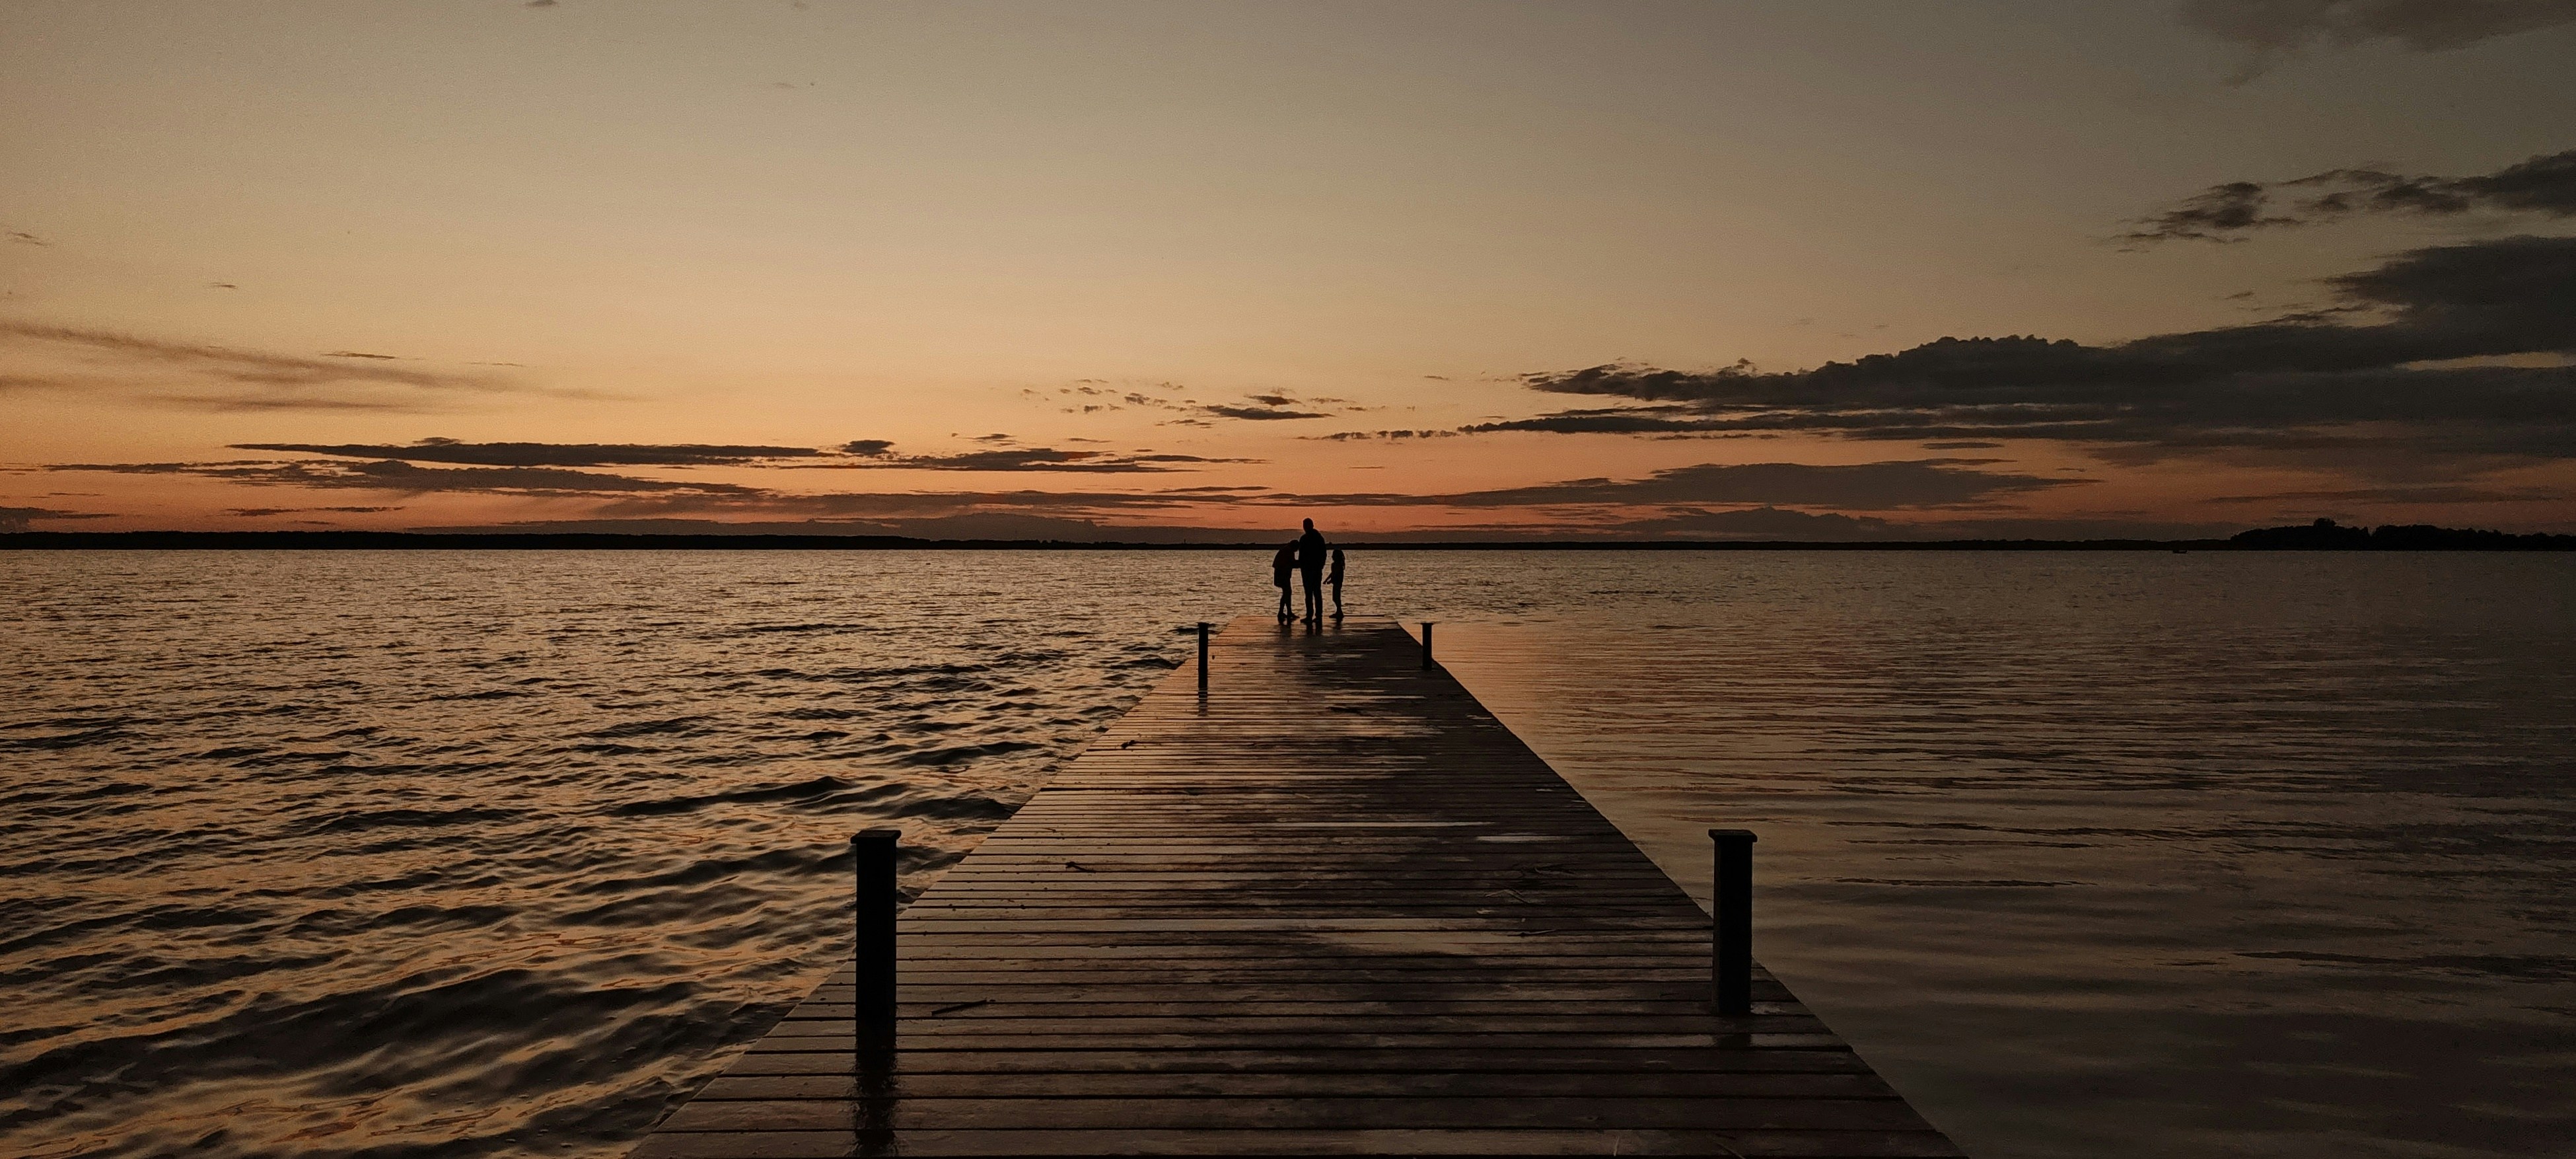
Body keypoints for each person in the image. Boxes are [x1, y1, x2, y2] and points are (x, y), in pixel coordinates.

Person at [1297, 519, 1328, 624]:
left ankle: (1314, 615)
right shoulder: (1317, 538)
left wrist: (1320, 566)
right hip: (1311, 569)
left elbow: (1322, 554)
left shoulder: (1310, 538)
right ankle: (1314, 615)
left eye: (1306, 525)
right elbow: (1323, 554)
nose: (1305, 527)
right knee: (1313, 592)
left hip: (1311, 569)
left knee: (1312, 593)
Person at [1271, 541, 1297, 623]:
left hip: (1281, 575)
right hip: (1282, 575)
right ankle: (1287, 612)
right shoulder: (1289, 551)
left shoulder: (1285, 550)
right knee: (1287, 593)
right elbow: (1292, 563)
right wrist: (1303, 563)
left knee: (1286, 593)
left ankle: (1283, 612)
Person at [1328, 548, 1345, 618]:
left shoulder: (1339, 565)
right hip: (1336, 583)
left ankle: (1339, 612)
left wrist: (1330, 581)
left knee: (1336, 598)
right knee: (1335, 598)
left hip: (1338, 583)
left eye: (1333, 555)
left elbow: (1335, 574)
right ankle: (1339, 611)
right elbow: (1332, 573)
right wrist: (1327, 580)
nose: (1332, 557)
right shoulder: (1335, 565)